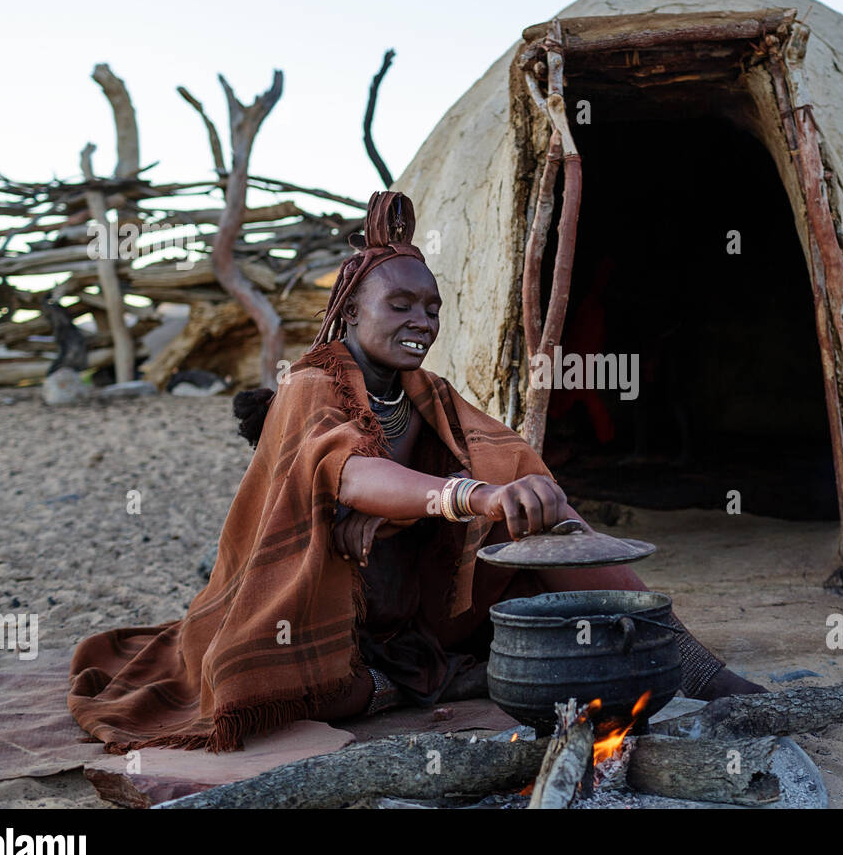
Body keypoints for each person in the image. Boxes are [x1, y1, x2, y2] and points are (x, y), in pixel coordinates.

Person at [67, 192, 762, 754]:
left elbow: (504, 455)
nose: (421, 320)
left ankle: (691, 663)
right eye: (399, 305)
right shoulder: (314, 384)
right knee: (272, 686)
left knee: (550, 519)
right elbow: (352, 475)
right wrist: (471, 496)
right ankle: (407, 684)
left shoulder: (426, 393)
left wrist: (528, 493)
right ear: (349, 313)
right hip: (329, 613)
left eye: (431, 308)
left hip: (414, 608)